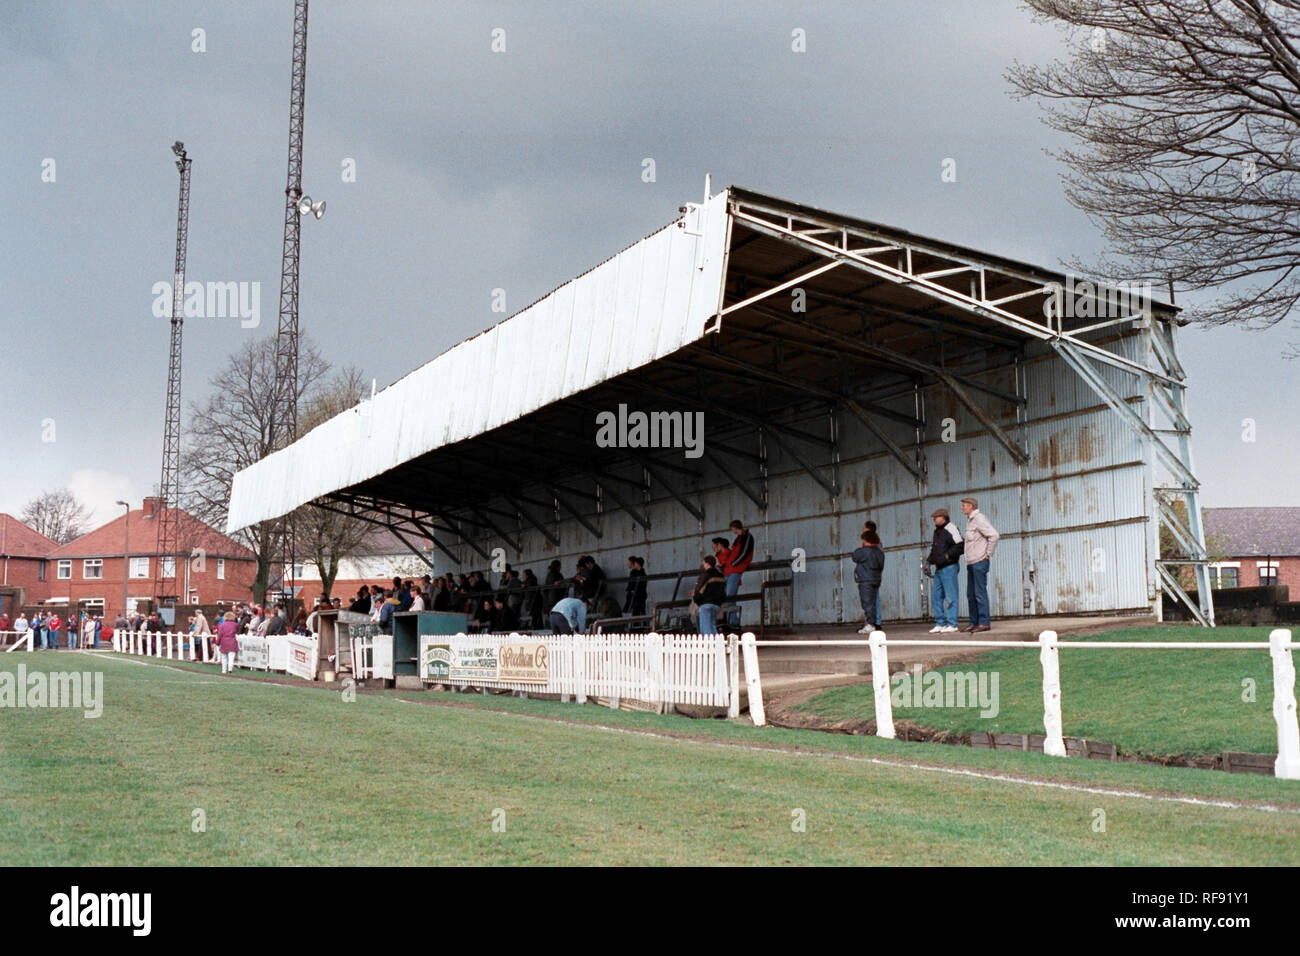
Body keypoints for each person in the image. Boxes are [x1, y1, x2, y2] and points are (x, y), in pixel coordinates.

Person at [960, 496, 1000, 633]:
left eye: (964, 505)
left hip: (979, 561)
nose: (962, 507)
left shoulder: (979, 519)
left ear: (971, 506)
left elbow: (994, 535)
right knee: (971, 594)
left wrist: (988, 553)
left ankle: (984, 622)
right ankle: (974, 622)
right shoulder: (970, 520)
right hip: (971, 562)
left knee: (979, 593)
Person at [926, 508, 964, 633]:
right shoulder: (937, 531)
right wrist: (928, 561)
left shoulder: (951, 528)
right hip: (939, 568)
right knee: (936, 596)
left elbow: (960, 545)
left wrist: (948, 556)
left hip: (949, 567)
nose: (934, 519)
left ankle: (952, 624)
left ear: (943, 517)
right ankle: (940, 623)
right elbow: (934, 549)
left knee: (951, 596)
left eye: (936, 517)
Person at [852, 530, 886, 635]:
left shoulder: (864, 551)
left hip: (865, 580)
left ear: (866, 540)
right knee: (873, 602)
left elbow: (854, 556)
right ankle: (874, 622)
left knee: (867, 603)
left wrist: (862, 547)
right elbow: (881, 566)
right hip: (876, 579)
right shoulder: (879, 552)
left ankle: (870, 624)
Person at [722, 520, 755, 627]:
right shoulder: (739, 538)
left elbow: (745, 552)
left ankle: (733, 622)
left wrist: (734, 563)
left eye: (732, 529)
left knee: (730, 596)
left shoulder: (747, 537)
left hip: (735, 568)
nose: (732, 531)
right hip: (731, 569)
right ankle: (730, 621)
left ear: (736, 527)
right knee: (727, 596)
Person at [691, 555, 727, 635]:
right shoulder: (721, 576)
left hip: (705, 604)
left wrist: (696, 598)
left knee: (705, 628)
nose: (702, 565)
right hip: (717, 604)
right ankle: (717, 645)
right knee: (712, 626)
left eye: (703, 563)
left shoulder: (705, 575)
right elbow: (724, 592)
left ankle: (709, 646)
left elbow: (700, 590)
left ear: (707, 564)